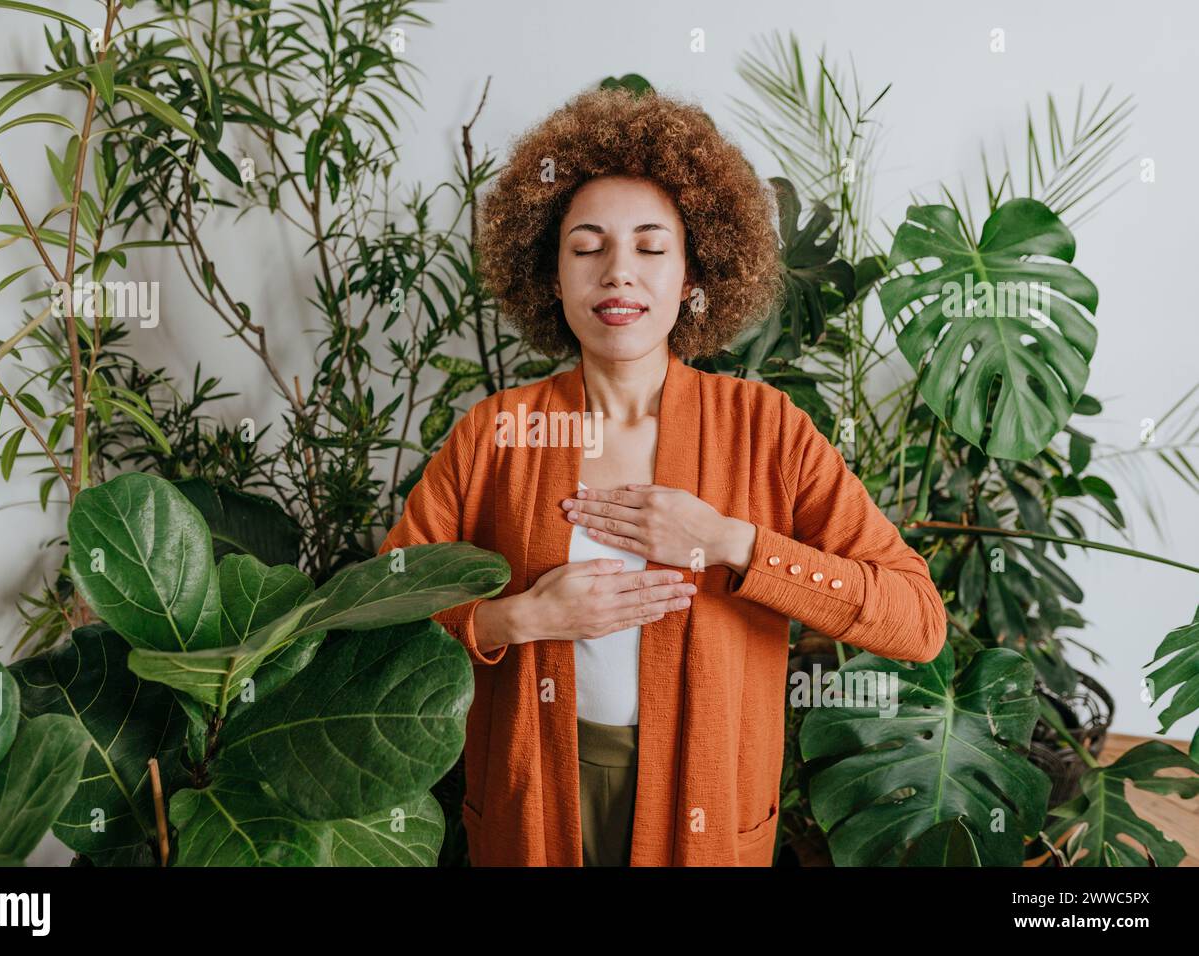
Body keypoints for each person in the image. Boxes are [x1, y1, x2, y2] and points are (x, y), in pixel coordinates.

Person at [378, 86, 947, 867]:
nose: (619, 274)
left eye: (651, 249)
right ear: (550, 276)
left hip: (709, 808)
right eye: (587, 248)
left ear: (691, 277)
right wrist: (516, 620)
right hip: (535, 801)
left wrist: (730, 540)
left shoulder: (767, 429)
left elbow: (915, 620)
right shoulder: (496, 434)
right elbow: (381, 613)